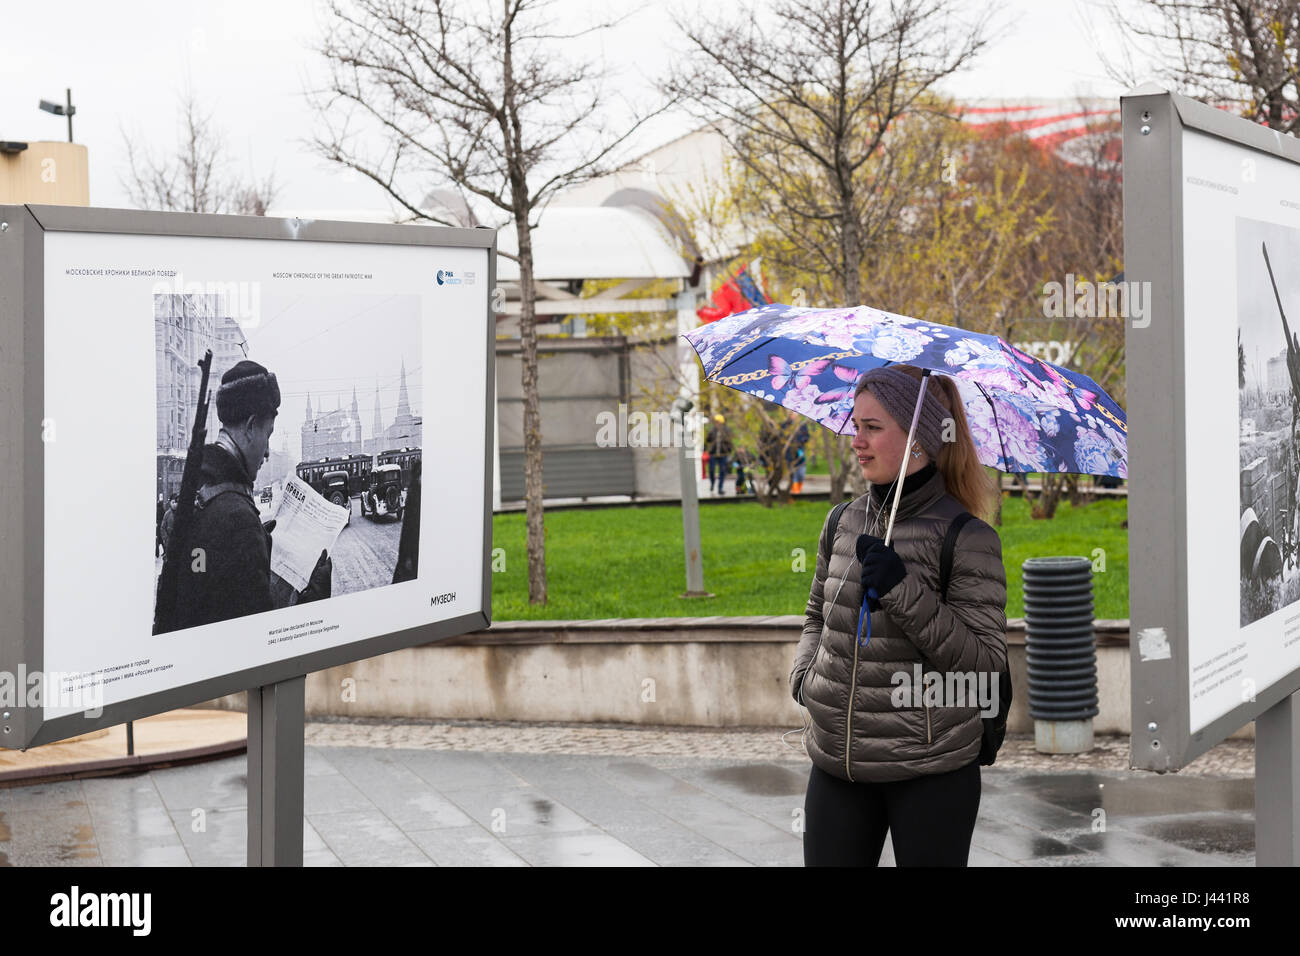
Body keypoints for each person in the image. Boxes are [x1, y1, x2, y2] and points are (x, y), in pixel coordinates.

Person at [789, 364, 1007, 867]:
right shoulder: (841, 522)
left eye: (872, 427)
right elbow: (815, 616)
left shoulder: (967, 538)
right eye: (854, 425)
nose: (855, 440)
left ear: (920, 440)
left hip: (930, 769)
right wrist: (806, 680)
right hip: (838, 763)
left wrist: (901, 589)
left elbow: (985, 665)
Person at [169, 360, 331, 631]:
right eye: (267, 435)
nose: (267, 452)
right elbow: (260, 646)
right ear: (250, 426)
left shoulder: (200, 488)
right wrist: (314, 599)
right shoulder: (238, 519)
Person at [704, 414, 734, 495]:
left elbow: (730, 441)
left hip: (723, 454)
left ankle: (720, 488)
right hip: (713, 454)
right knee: (711, 470)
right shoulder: (712, 430)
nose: (717, 423)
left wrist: (728, 450)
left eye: (718, 422)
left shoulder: (726, 430)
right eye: (716, 422)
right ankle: (712, 483)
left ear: (721, 422)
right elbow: (708, 440)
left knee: (722, 471)